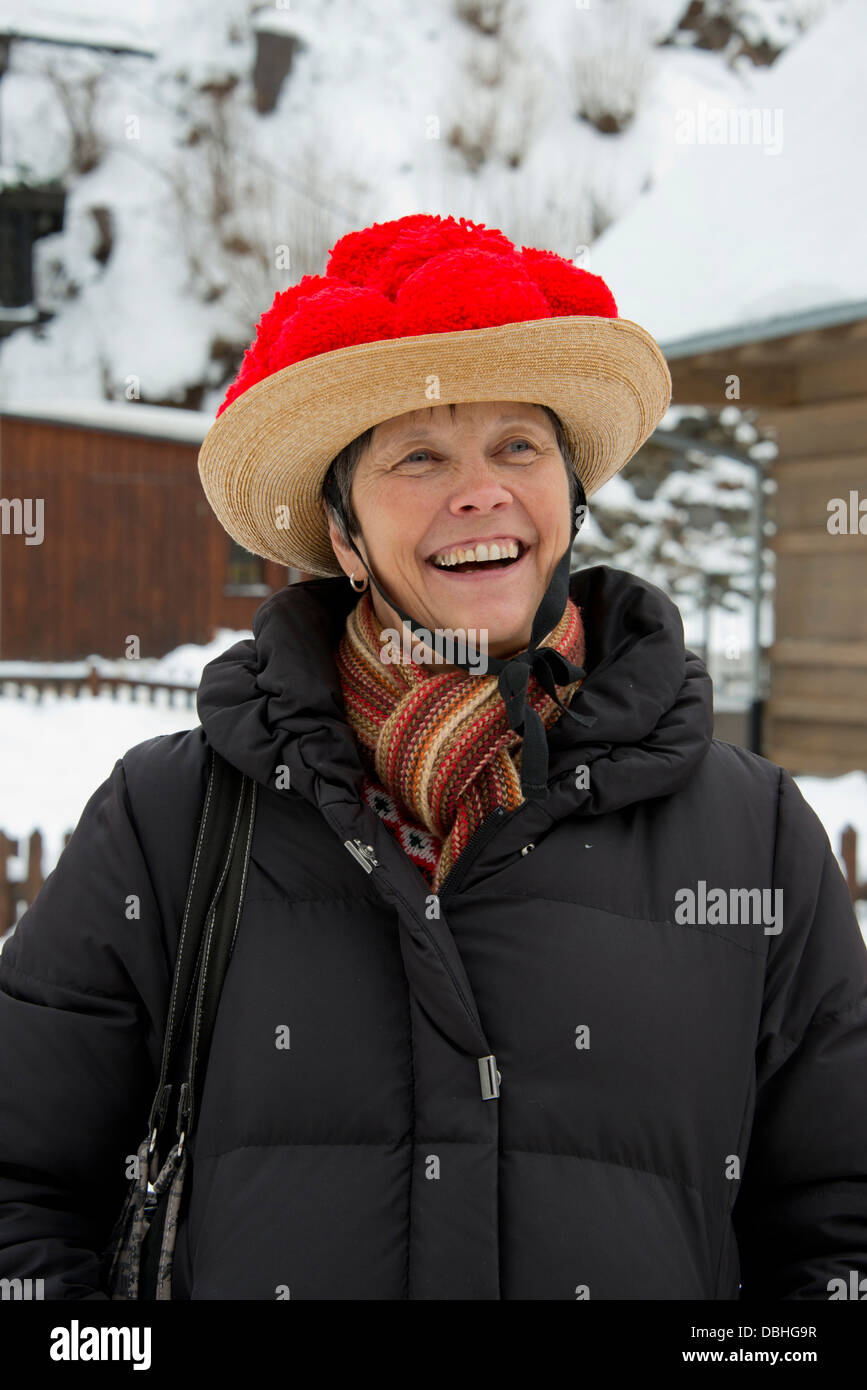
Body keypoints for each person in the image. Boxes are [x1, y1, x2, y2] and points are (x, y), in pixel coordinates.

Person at [0, 213, 865, 1301]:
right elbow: (20, 1190)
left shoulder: (757, 836)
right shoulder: (169, 819)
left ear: (571, 496)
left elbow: (842, 1230)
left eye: (520, 445)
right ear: (346, 534)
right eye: (419, 454)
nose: (481, 490)